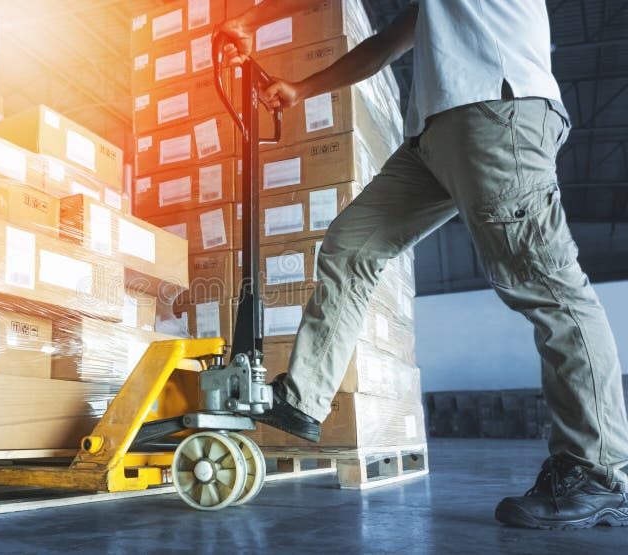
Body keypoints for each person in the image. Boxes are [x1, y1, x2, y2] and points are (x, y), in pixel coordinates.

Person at [215, 0, 628, 530]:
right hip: (433, 139)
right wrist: (302, 88)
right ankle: (303, 398)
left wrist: (253, 15)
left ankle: (596, 474)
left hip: (495, 112)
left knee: (548, 288)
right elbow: (389, 41)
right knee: (352, 247)